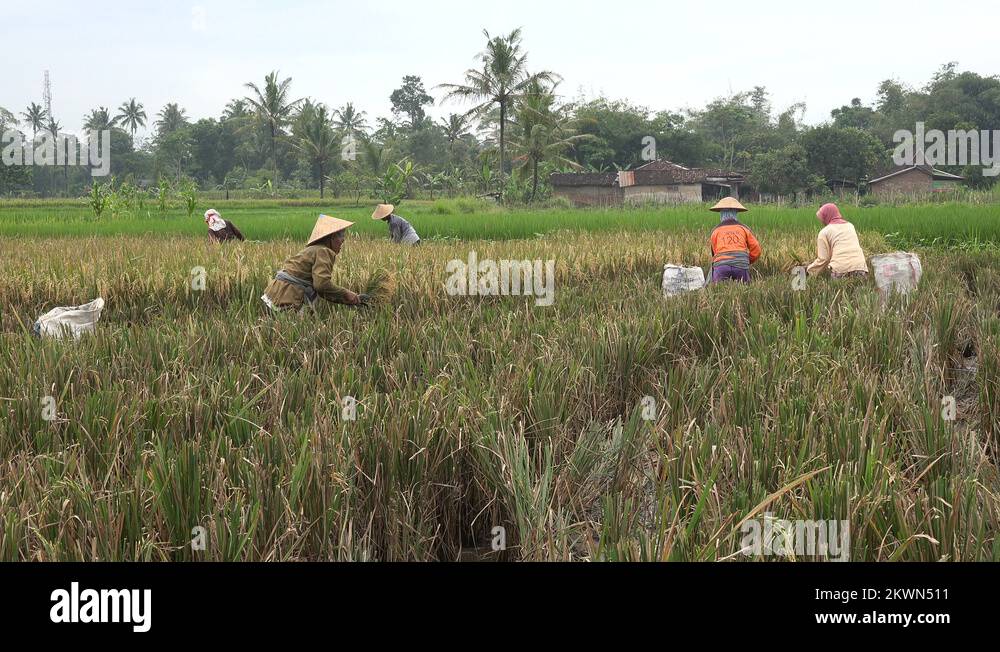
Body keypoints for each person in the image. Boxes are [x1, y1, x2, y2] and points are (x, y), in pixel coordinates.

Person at [261, 214, 363, 312]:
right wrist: (345, 293)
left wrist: (345, 298)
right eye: (341, 236)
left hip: (274, 293)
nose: (343, 240)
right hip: (287, 296)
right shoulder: (324, 251)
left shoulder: (313, 249)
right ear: (332, 238)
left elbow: (321, 289)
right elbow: (322, 285)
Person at [806, 203, 869, 278]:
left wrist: (808, 271)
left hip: (840, 271)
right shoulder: (850, 226)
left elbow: (823, 259)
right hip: (860, 268)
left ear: (826, 216)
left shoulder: (824, 232)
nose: (822, 221)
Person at [708, 197, 761, 283]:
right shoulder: (744, 229)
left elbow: (715, 253)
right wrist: (745, 260)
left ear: (721, 214)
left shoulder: (715, 231)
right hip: (740, 266)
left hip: (721, 266)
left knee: (717, 291)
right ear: (735, 213)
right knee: (745, 290)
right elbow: (756, 249)